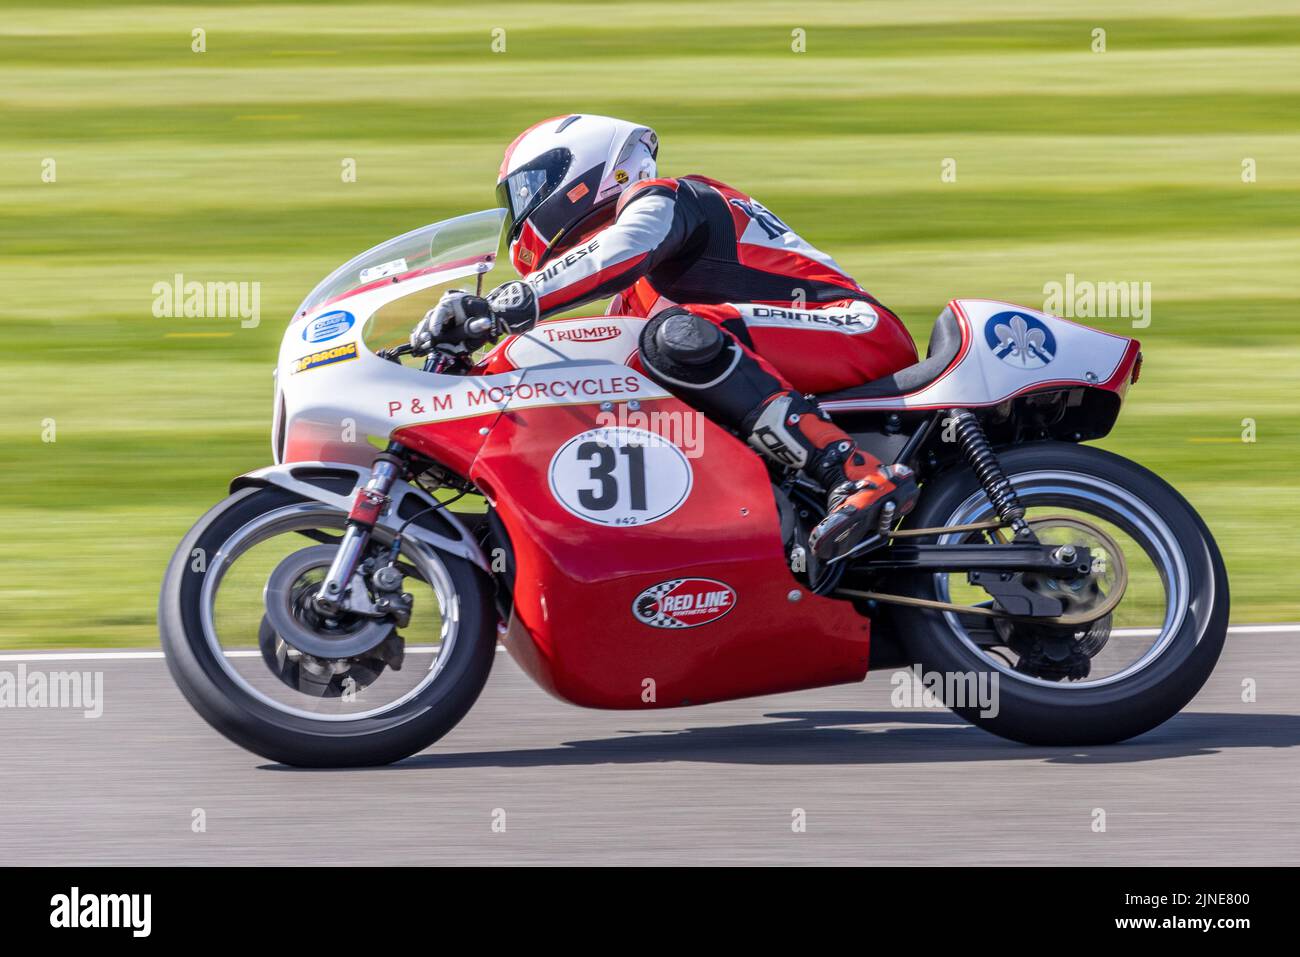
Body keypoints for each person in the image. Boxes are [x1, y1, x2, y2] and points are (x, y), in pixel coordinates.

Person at [411, 114, 919, 560]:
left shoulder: (668, 197)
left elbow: (620, 249)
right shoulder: (634, 297)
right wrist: (473, 378)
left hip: (851, 326)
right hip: (793, 348)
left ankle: (851, 472)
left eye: (529, 189)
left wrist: (510, 302)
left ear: (582, 175)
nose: (523, 209)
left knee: (673, 337)